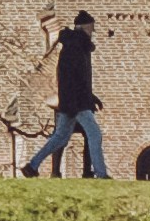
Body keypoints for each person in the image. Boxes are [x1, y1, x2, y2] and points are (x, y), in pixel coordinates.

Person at [22, 10, 107, 178]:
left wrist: (91, 97)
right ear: (84, 28)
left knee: (60, 138)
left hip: (73, 102)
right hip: (77, 103)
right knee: (94, 134)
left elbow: (79, 79)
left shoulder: (77, 46)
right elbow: (68, 79)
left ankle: (32, 166)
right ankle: (101, 174)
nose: (92, 33)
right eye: (91, 29)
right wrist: (76, 103)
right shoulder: (74, 47)